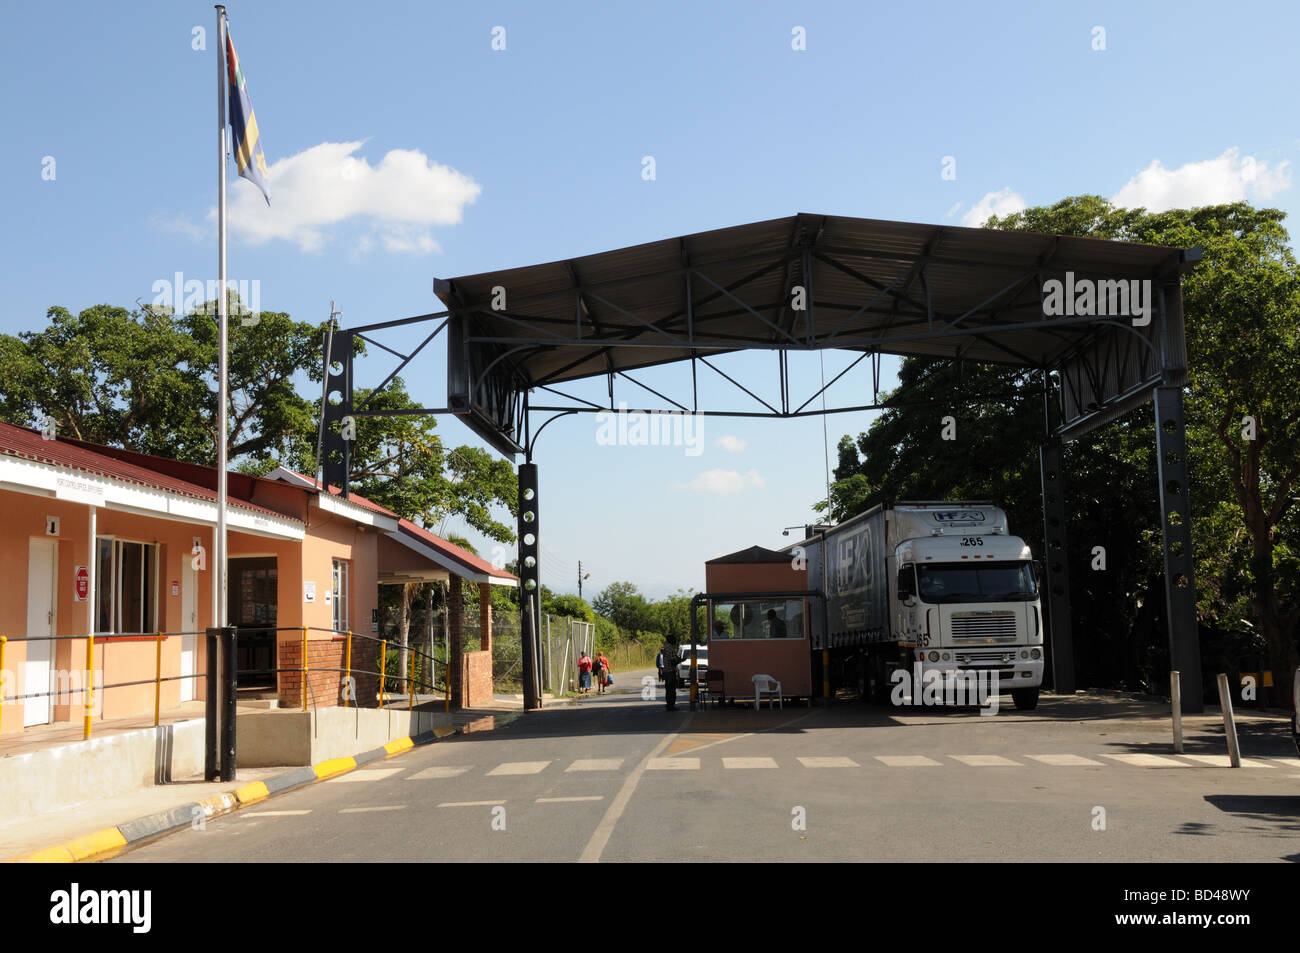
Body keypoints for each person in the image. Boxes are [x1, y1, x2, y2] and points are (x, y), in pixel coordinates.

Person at [661, 639, 681, 711]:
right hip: (671, 671)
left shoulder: (665, 648)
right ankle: (671, 705)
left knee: (668, 689)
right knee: (672, 690)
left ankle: (668, 704)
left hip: (666, 671)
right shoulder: (671, 649)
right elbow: (673, 661)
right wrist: (680, 660)